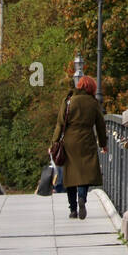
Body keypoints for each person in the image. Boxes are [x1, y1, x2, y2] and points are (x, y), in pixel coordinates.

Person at [50, 74, 107, 220]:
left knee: (70, 176)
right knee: (85, 173)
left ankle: (73, 209)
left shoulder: (69, 100)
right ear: (92, 88)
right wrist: (103, 144)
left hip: (69, 141)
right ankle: (82, 197)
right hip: (87, 139)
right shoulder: (93, 103)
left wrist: (54, 142)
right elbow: (100, 125)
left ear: (79, 85)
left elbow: (60, 123)